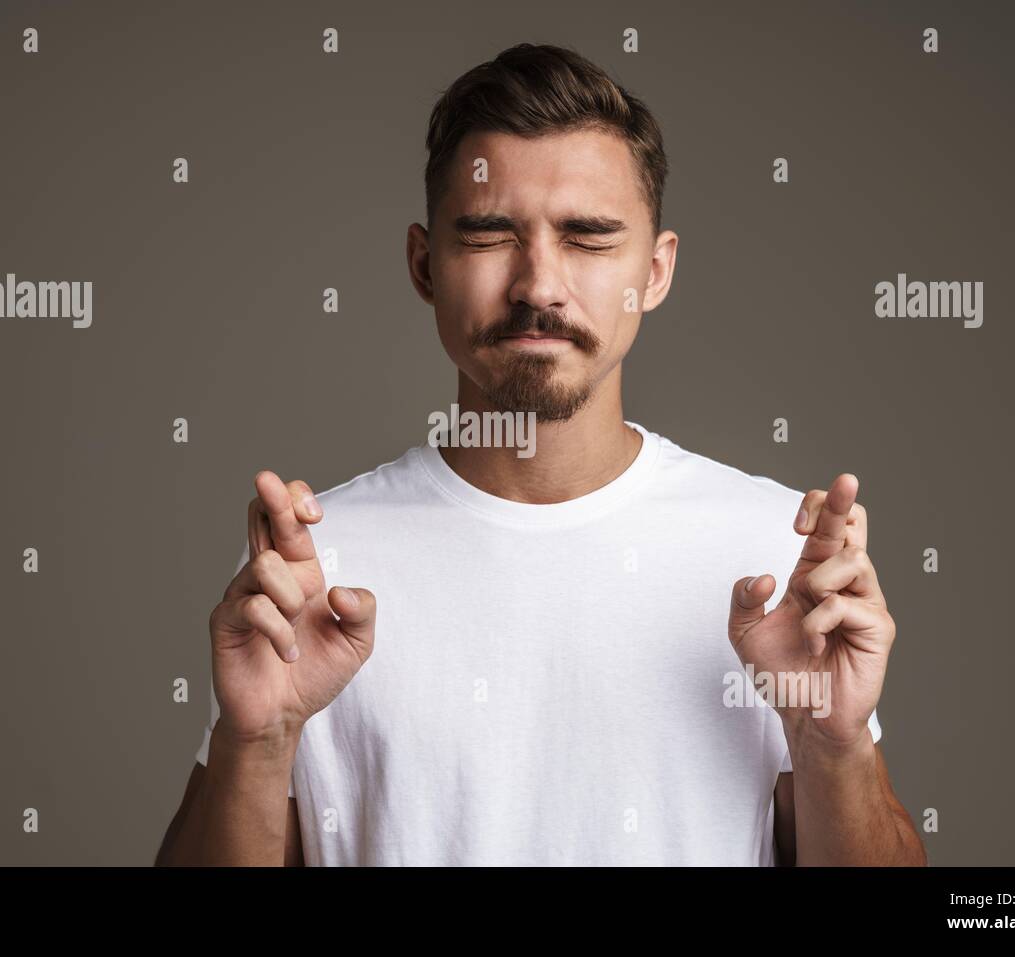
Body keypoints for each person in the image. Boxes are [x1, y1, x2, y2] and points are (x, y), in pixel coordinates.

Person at [156, 42, 925, 866]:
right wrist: (258, 740)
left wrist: (831, 746)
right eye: (489, 235)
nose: (538, 285)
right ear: (424, 264)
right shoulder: (314, 568)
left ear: (656, 271)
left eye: (589, 238)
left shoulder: (775, 552)